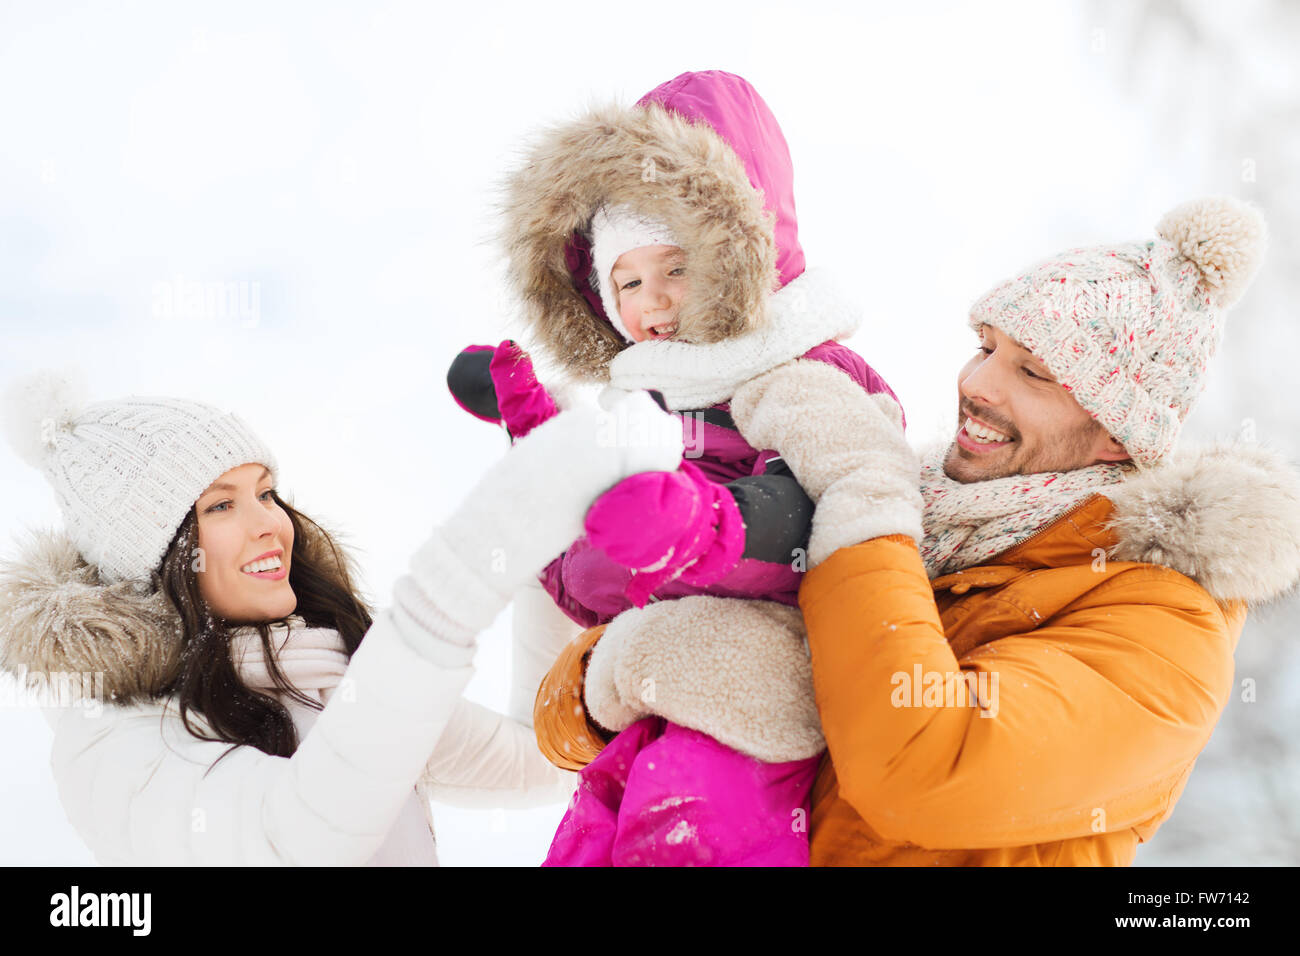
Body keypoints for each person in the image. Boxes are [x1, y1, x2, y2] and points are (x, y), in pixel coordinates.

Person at [537, 195, 1300, 865]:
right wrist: (625, 667)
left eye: (1033, 374)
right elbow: (566, 731)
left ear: (1116, 437)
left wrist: (859, 502)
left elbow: (921, 766)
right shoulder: (920, 515)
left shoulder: (1166, 633)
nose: (977, 384)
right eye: (986, 347)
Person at [451, 70, 901, 865]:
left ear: (739, 257)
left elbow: (834, 516)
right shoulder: (642, 411)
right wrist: (548, 457)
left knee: (687, 833)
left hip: (755, 699)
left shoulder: (802, 372)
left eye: (678, 267)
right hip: (646, 695)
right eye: (627, 280)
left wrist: (698, 526)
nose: (653, 301)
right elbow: (589, 585)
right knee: (587, 843)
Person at [0, 372, 681, 865]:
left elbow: (541, 761)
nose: (271, 524)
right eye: (221, 506)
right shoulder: (108, 741)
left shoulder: (329, 669)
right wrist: (450, 592)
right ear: (151, 557)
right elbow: (297, 839)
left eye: (266, 493)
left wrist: (547, 532)